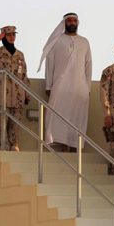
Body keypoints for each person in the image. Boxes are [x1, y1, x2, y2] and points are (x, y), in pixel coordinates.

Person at [39, 13, 93, 151]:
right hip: (60, 85)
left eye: (74, 20)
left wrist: (88, 87)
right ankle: (61, 143)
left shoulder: (84, 41)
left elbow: (88, 65)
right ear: (64, 23)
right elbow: (50, 64)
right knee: (59, 115)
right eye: (69, 20)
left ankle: (75, 145)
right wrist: (48, 85)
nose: (72, 23)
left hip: (79, 87)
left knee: (77, 116)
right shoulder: (57, 40)